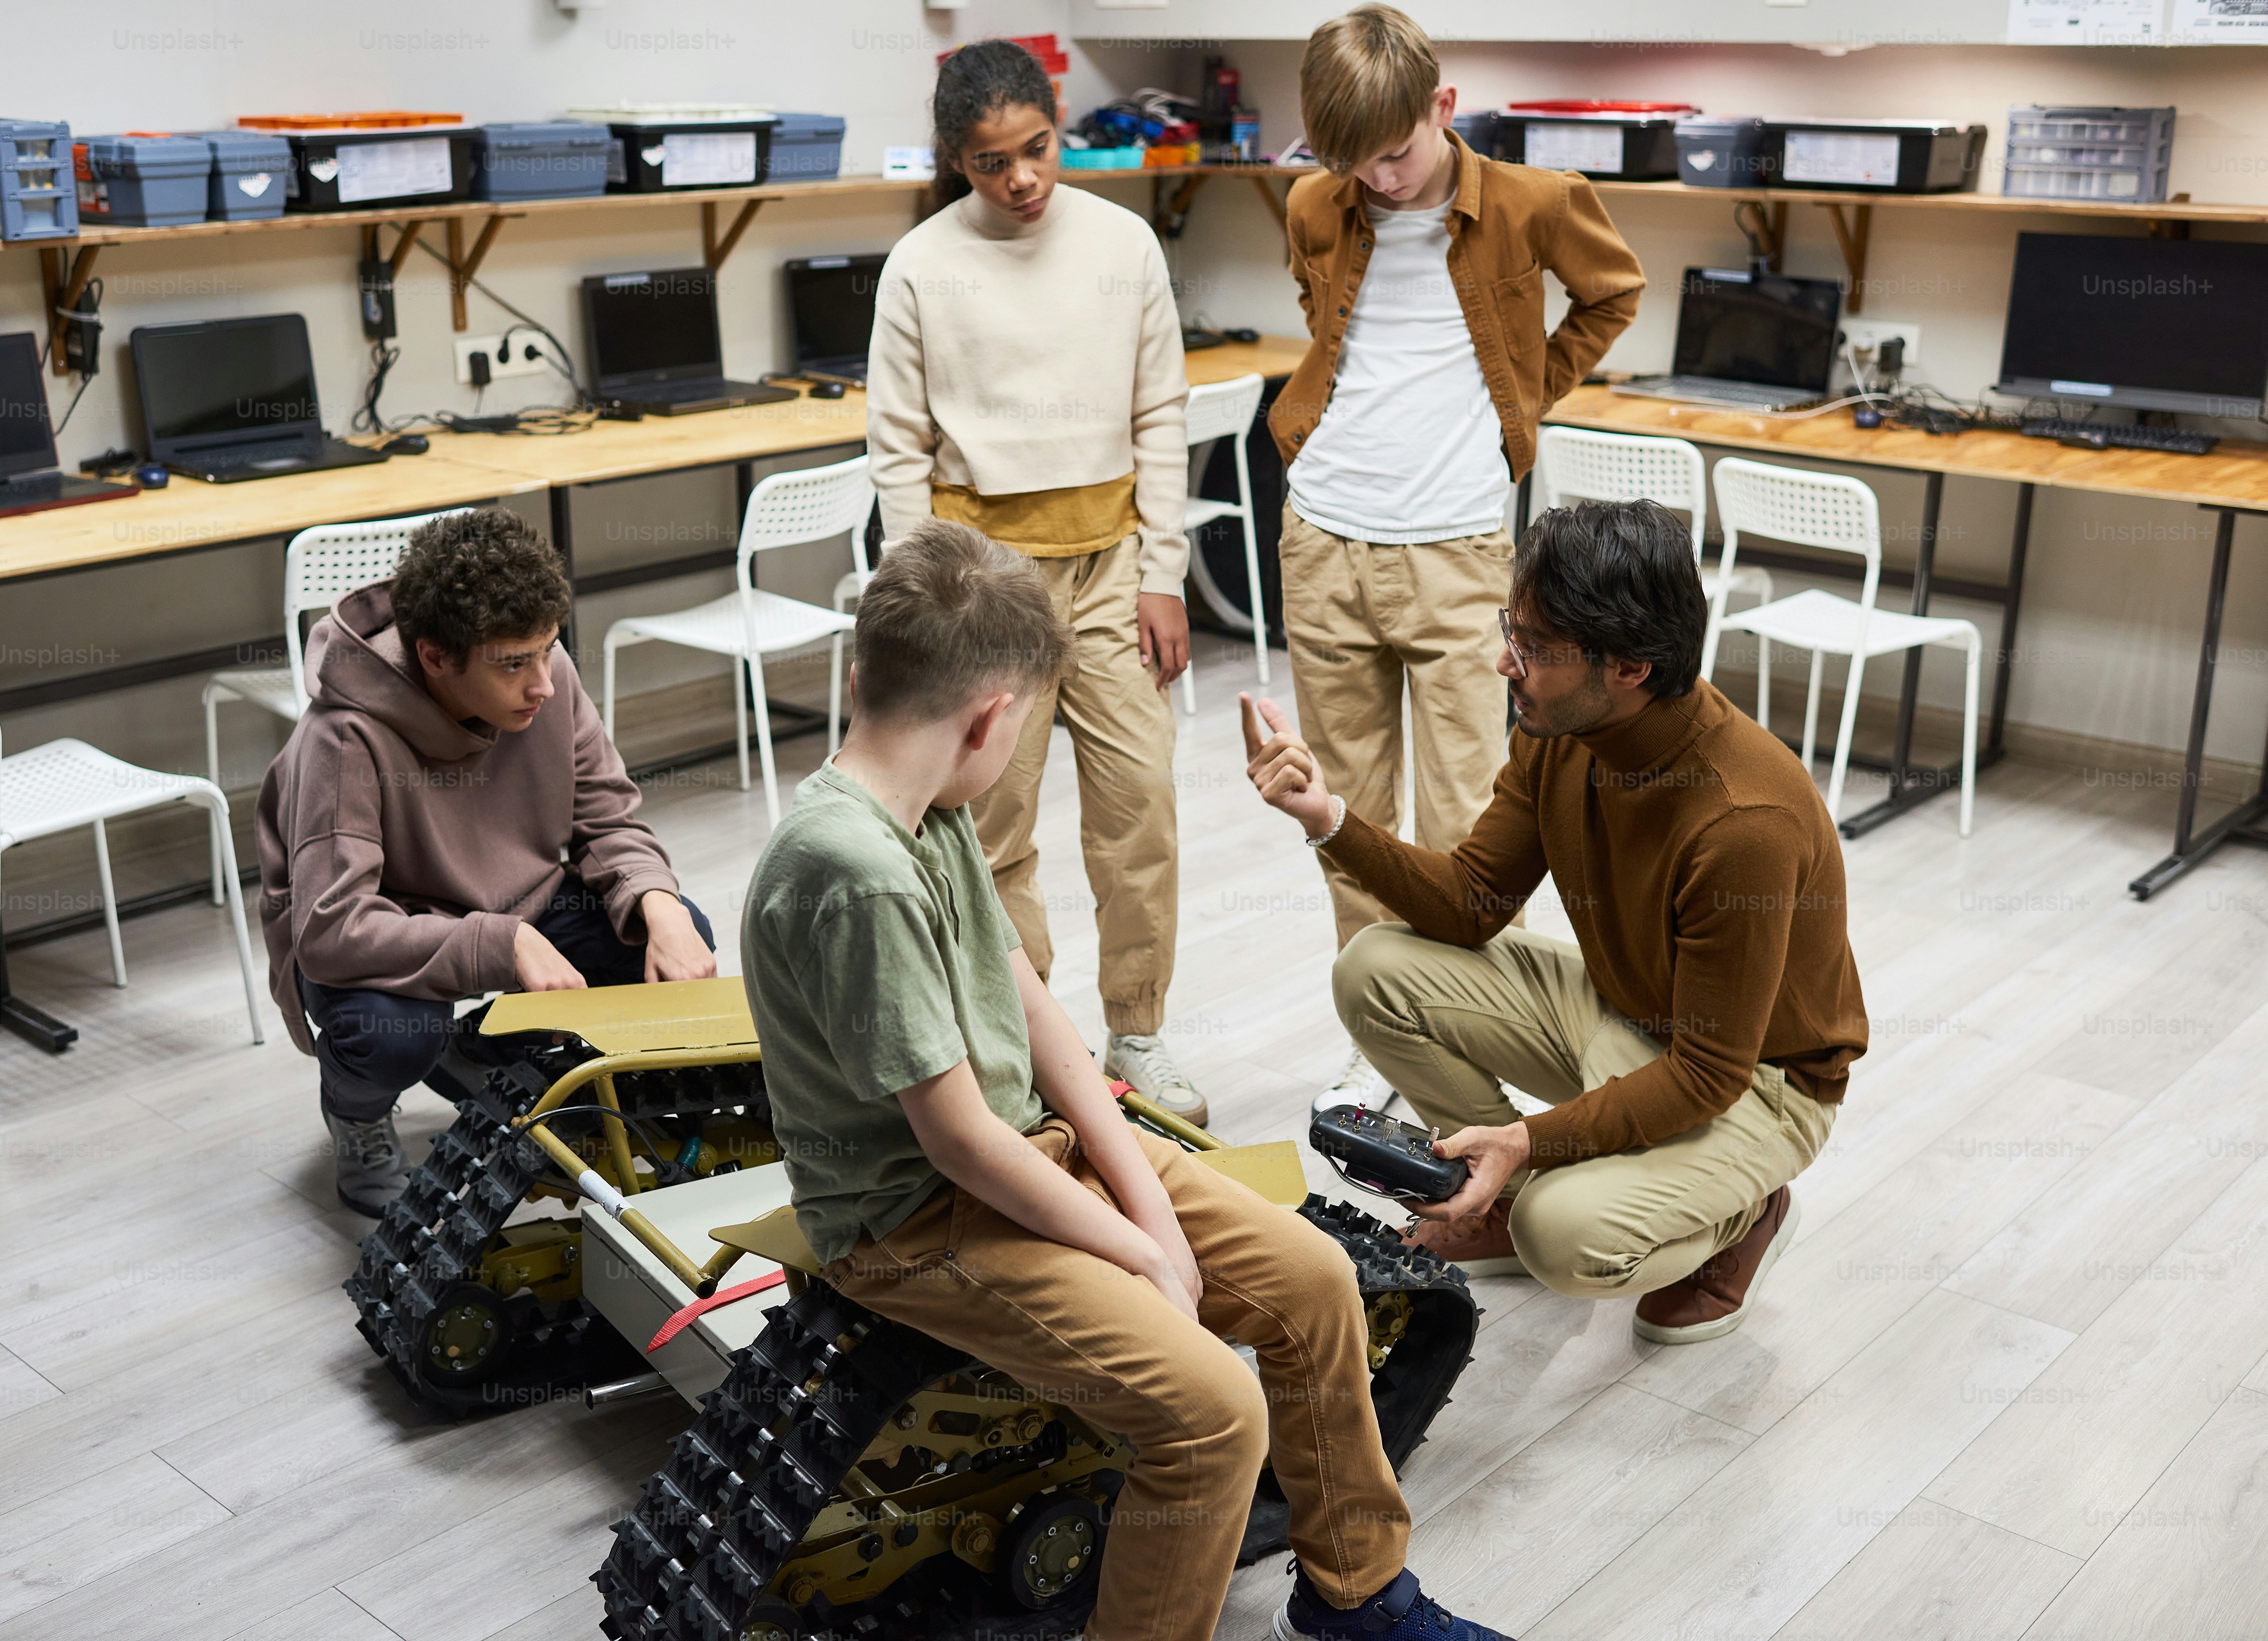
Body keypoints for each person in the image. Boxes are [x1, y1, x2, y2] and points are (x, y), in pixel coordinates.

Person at [743, 519, 1508, 1641]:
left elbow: (1037, 1012)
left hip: (1026, 1152)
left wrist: (1150, 1203)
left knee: (1312, 1280)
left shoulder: (934, 808)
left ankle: (1357, 1590)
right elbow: (955, 1143)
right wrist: (1140, 1253)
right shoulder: (854, 872)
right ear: (993, 718)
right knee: (1210, 1415)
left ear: (865, 674)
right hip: (912, 1220)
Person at [1243, 501, 1867, 1345]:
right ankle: (1498, 1197)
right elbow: (1470, 902)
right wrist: (1329, 819)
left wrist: (1528, 1139)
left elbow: (1706, 1075)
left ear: (1630, 668)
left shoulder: (1743, 821)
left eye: (1534, 647)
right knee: (1373, 968)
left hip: (1756, 1077)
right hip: (1622, 1007)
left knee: (1561, 1236)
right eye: (1515, 629)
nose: (1506, 661)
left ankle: (1747, 1212)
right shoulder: (1560, 727)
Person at [1275, 2, 1646, 1114]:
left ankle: (1474, 1035)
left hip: (1462, 550)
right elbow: (1324, 322)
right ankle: (1376, 1026)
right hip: (1324, 532)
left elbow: (1614, 293)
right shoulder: (1311, 203)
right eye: (1353, 163)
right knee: (1346, 815)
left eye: (1395, 153)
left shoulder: (1532, 204)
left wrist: (1519, 405)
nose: (1378, 181)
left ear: (1443, 108)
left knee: (1472, 821)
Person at [867, 38, 1209, 1122]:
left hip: (1112, 568)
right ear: (955, 161)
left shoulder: (1124, 244)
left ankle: (1139, 1037)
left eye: (1037, 150)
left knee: (1140, 807)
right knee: (992, 834)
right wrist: (924, 615)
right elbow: (897, 452)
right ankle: (1026, 1053)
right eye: (989, 163)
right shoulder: (921, 264)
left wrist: (1166, 572)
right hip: (982, 590)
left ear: (1061, 130)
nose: (1020, 179)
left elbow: (1162, 412)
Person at [256, 508, 716, 1215]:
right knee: (389, 1031)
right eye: (513, 664)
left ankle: (479, 1054)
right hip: (388, 932)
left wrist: (657, 899)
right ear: (436, 657)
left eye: (548, 651)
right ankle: (357, 1115)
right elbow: (331, 928)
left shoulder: (544, 673)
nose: (544, 684)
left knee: (675, 934)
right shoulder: (342, 737)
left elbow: (606, 814)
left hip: (519, 899)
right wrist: (500, 943)